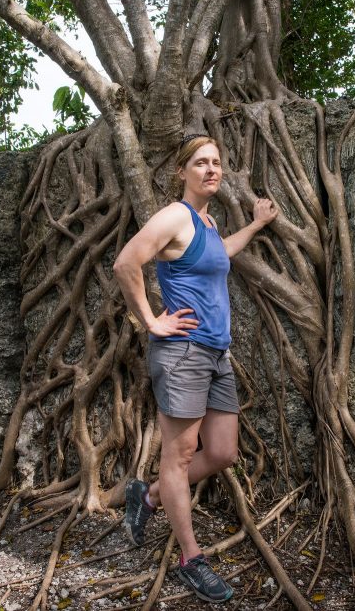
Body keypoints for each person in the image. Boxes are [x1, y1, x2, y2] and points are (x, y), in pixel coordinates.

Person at [113, 135, 278, 604]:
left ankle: (146, 498)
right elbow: (126, 262)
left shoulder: (205, 223)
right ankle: (191, 560)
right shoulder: (175, 216)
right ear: (183, 171)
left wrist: (256, 224)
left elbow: (220, 254)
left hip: (217, 354)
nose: (211, 170)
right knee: (179, 457)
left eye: (217, 163)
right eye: (201, 163)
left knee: (223, 452)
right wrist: (150, 320)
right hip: (183, 352)